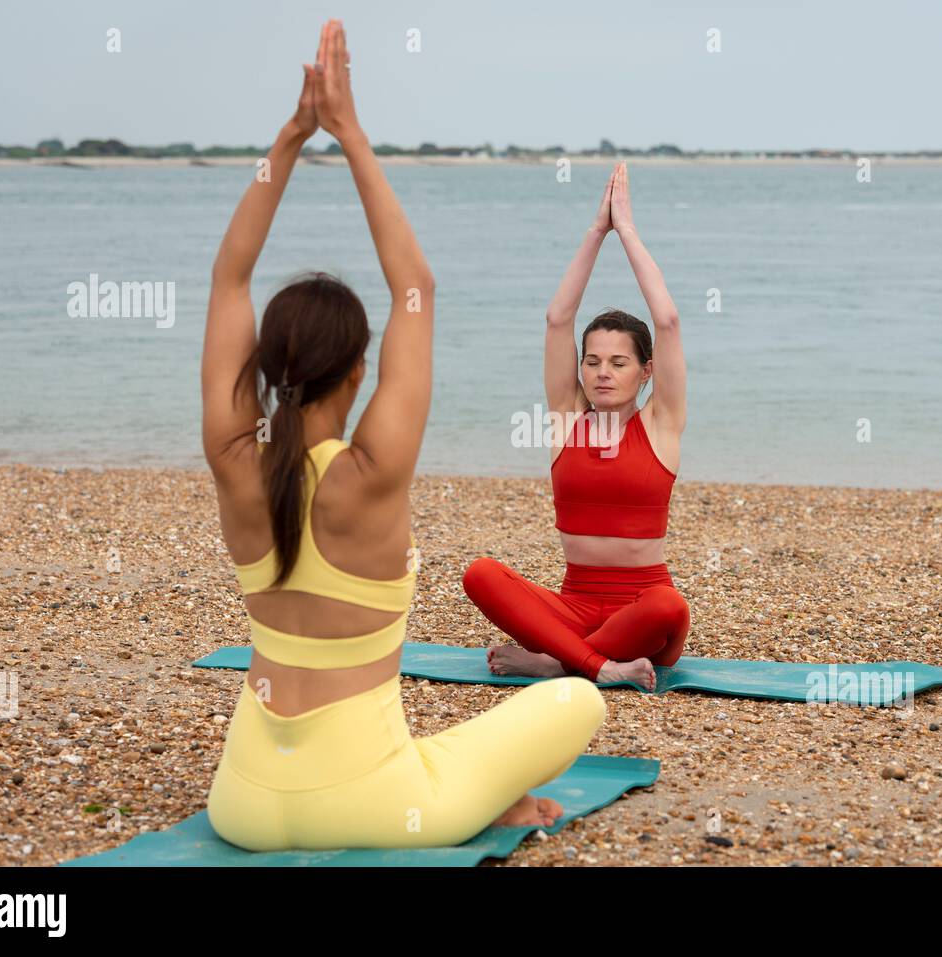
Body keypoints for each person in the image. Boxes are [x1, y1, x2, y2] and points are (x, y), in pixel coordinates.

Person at [200, 20, 605, 850]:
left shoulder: (234, 459)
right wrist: (349, 134)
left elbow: (229, 275)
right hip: (372, 805)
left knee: (431, 752)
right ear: (359, 372)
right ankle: (474, 796)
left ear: (271, 369)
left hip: (240, 803)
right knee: (578, 701)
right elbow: (414, 286)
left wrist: (289, 138)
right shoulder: (372, 470)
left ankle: (440, 781)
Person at [462, 163, 690, 693]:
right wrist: (595, 231)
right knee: (481, 574)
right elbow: (558, 319)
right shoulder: (567, 417)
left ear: (645, 371)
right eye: (592, 362)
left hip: (643, 612)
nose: (602, 373)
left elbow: (669, 322)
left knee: (668, 605)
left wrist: (626, 231)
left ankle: (557, 663)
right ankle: (594, 664)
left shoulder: (662, 423)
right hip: (572, 607)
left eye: (618, 362)